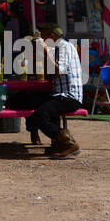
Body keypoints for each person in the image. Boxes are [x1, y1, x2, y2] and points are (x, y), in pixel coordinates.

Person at [26, 25, 84, 159]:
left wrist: (45, 51)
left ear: (52, 37)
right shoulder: (58, 48)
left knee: (39, 116)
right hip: (59, 94)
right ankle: (58, 144)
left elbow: (59, 70)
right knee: (31, 101)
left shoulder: (64, 47)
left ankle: (69, 143)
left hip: (69, 96)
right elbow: (49, 73)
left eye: (44, 37)